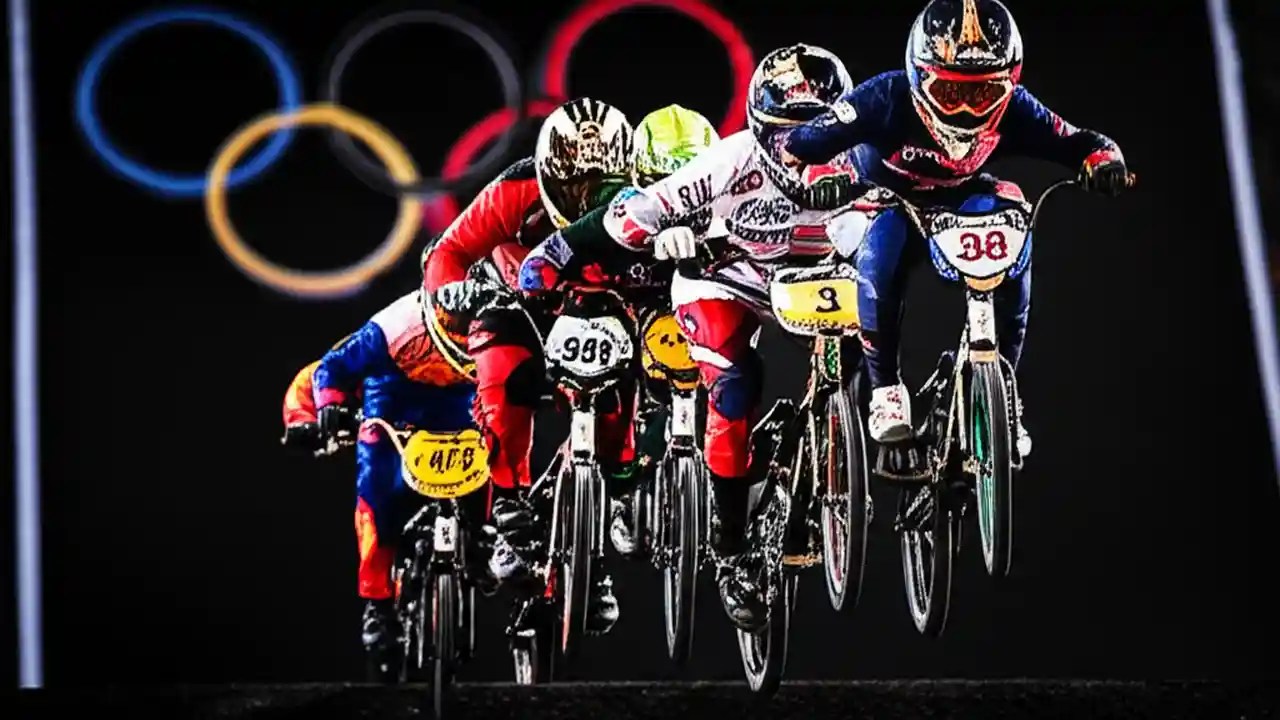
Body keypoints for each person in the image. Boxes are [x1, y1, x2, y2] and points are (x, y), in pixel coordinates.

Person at [518, 48, 870, 632]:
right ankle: (730, 548)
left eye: (818, 133)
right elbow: (636, 212)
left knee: (861, 360)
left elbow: (926, 190)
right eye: (786, 136)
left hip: (811, 281)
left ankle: (823, 461)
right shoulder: (730, 161)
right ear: (759, 130)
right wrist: (558, 251)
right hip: (724, 282)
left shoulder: (864, 159)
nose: (802, 151)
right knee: (735, 387)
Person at [780, 0, 1131, 455]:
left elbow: (1078, 141)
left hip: (962, 197)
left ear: (1009, 85)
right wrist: (820, 174)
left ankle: (1005, 389)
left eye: (982, 94)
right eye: (949, 93)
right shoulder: (884, 97)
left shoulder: (1017, 108)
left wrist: (1103, 160)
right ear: (918, 77)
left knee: (1014, 229)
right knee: (881, 253)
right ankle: (886, 390)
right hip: (889, 198)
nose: (965, 111)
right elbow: (802, 143)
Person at [422, 97, 635, 635]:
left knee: (626, 384)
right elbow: (449, 252)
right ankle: (509, 500)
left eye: (601, 187)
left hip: (597, 302)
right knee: (504, 368)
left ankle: (611, 509)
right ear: (546, 175)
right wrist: (452, 293)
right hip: (519, 302)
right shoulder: (514, 190)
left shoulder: (644, 193)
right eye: (574, 187)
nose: (585, 200)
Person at [516, 104, 721, 558]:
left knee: (711, 368)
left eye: (695, 185)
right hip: (616, 304)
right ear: (638, 177)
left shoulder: (733, 201)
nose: (680, 199)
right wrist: (542, 264)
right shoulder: (622, 203)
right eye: (664, 184)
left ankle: (695, 482)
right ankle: (606, 475)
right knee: (609, 377)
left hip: (676, 304)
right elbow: (576, 237)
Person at [310, 289, 485, 682]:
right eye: (453, 322)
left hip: (460, 410)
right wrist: (329, 406)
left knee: (496, 448)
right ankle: (377, 602)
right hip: (393, 409)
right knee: (376, 493)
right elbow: (331, 367)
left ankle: (482, 538)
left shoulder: (498, 317)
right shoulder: (393, 326)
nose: (460, 332)